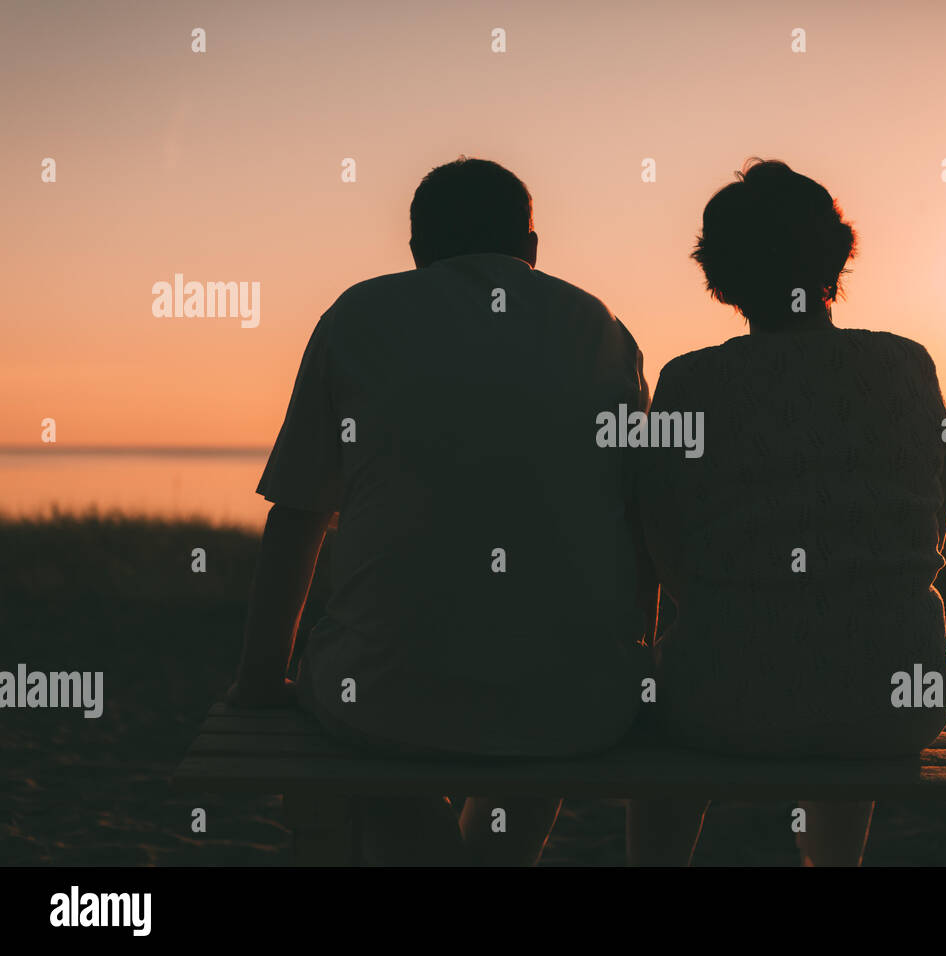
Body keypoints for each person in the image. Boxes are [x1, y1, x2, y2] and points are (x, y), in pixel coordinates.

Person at [227, 156, 652, 865]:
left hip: (384, 698)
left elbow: (299, 514)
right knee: (528, 721)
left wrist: (261, 679)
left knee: (375, 717)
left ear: (418, 252)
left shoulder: (358, 315)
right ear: (533, 251)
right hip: (578, 705)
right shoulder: (601, 328)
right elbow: (640, 521)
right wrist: (628, 658)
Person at [627, 159, 946, 866]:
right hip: (897, 703)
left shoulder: (688, 383)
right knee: (853, 630)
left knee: (662, 704)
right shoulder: (908, 367)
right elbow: (932, 523)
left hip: (723, 704)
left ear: (718, 275)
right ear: (839, 255)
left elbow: (659, 547)